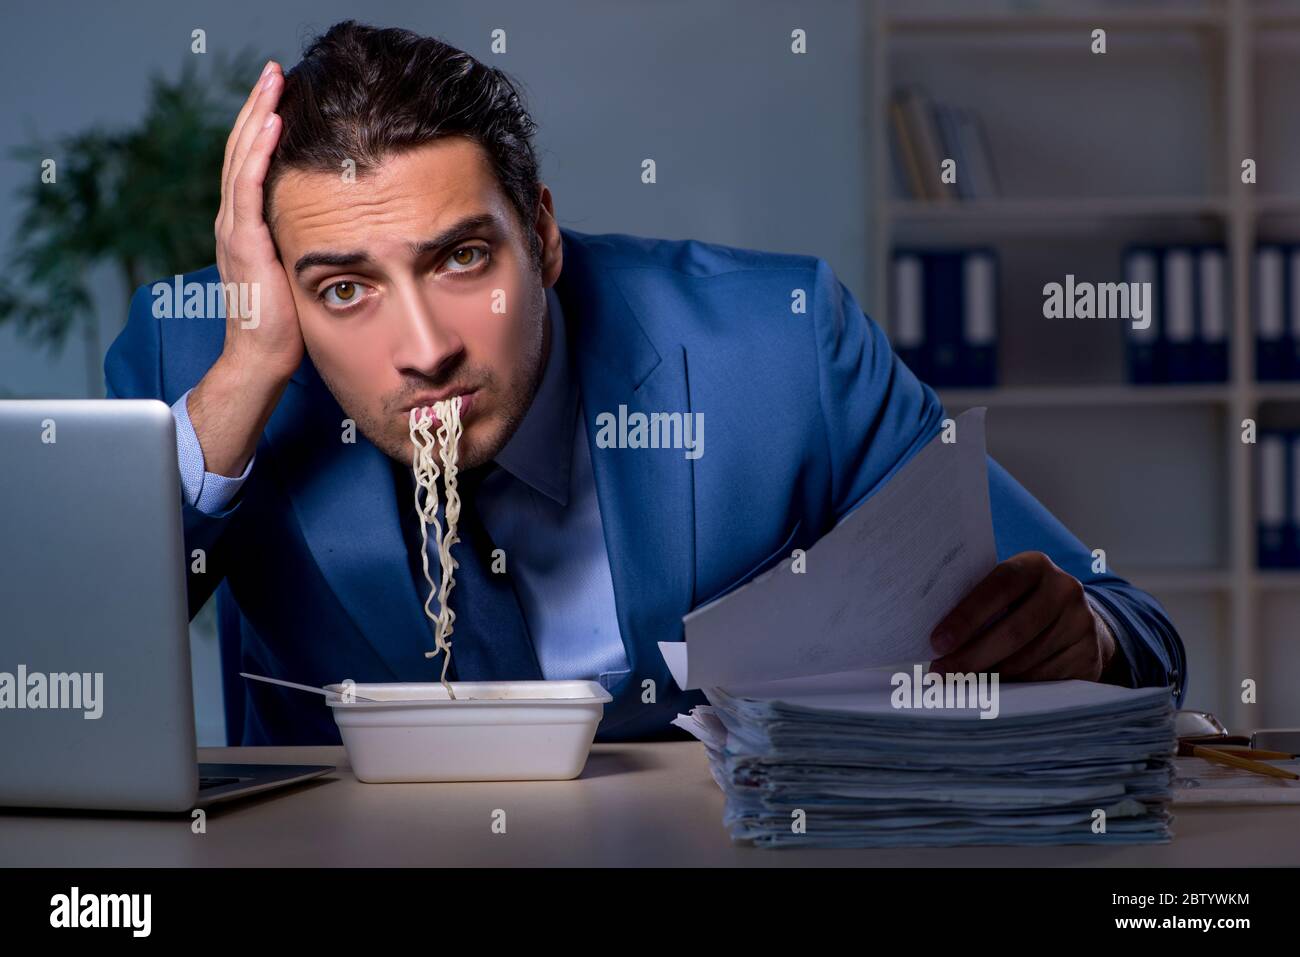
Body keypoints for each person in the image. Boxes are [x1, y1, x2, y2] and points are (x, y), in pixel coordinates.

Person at [105, 21, 1185, 745]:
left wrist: (1073, 637)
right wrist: (246, 371)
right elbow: (72, 683)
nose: (423, 346)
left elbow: (1131, 627)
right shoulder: (204, 366)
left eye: (462, 258)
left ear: (542, 234)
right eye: (344, 290)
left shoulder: (779, 349)